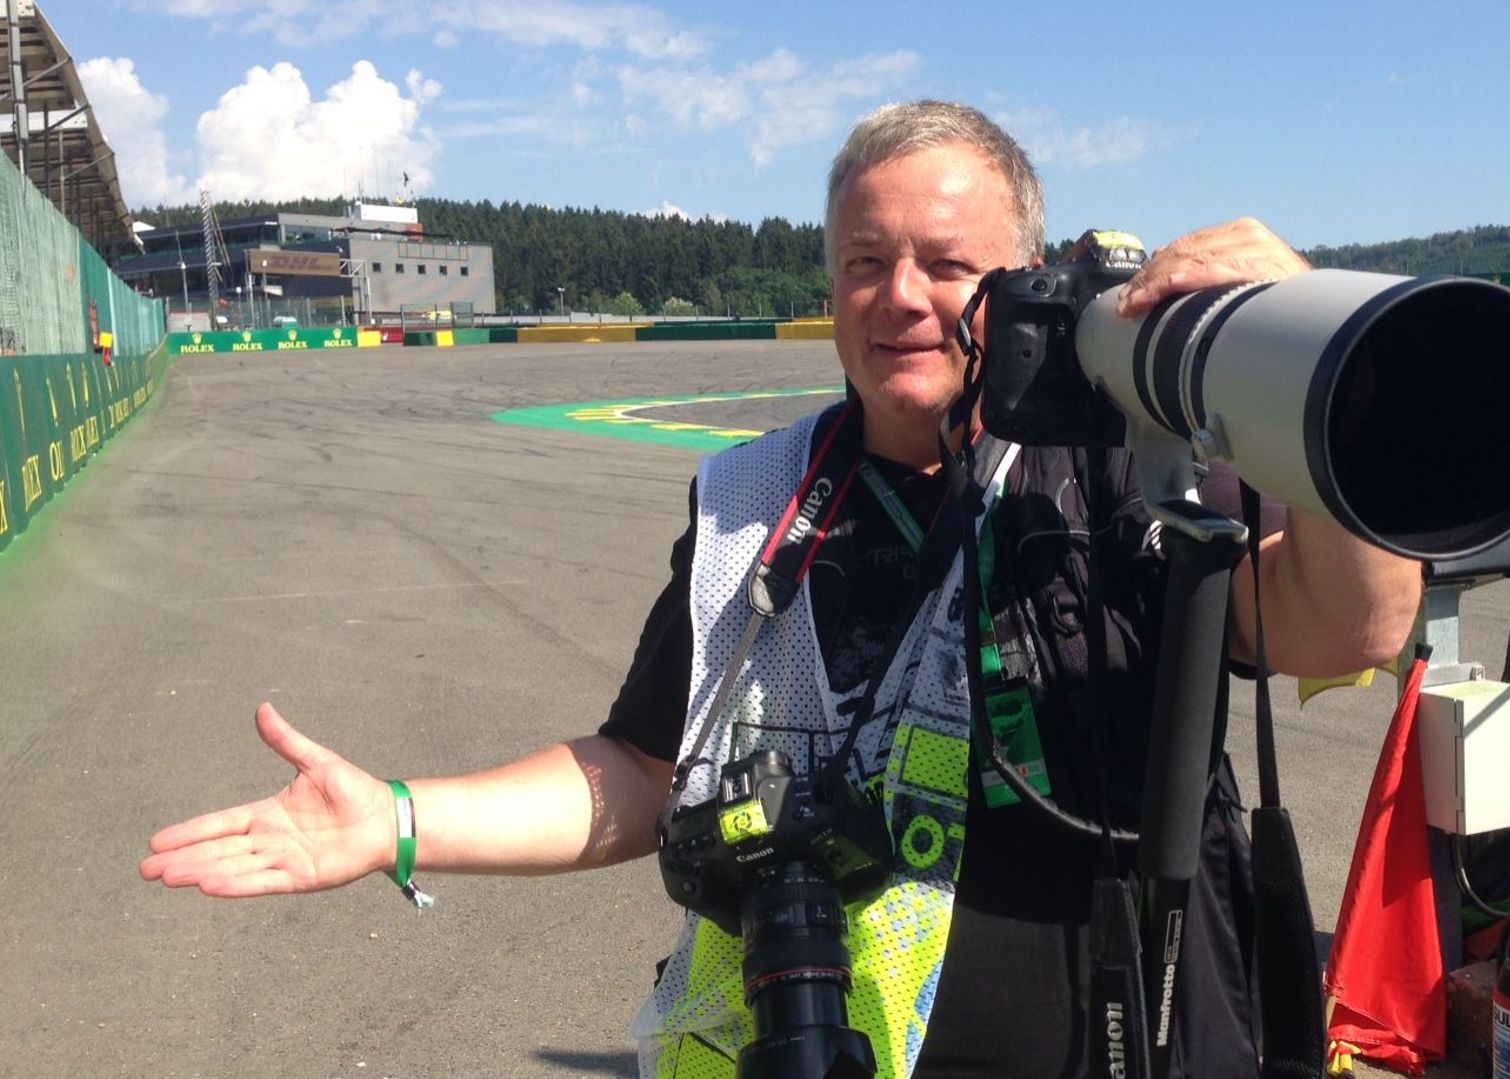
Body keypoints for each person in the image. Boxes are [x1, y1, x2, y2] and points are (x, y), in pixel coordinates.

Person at [141, 100, 1421, 1077]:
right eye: (864, 261)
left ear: (1027, 281)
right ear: (829, 287)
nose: (900, 296)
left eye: (946, 262)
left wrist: (1317, 345)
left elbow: (1352, 620)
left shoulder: (1128, 470)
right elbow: (644, 768)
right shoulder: (755, 497)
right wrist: (399, 817)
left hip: (1140, 1032)